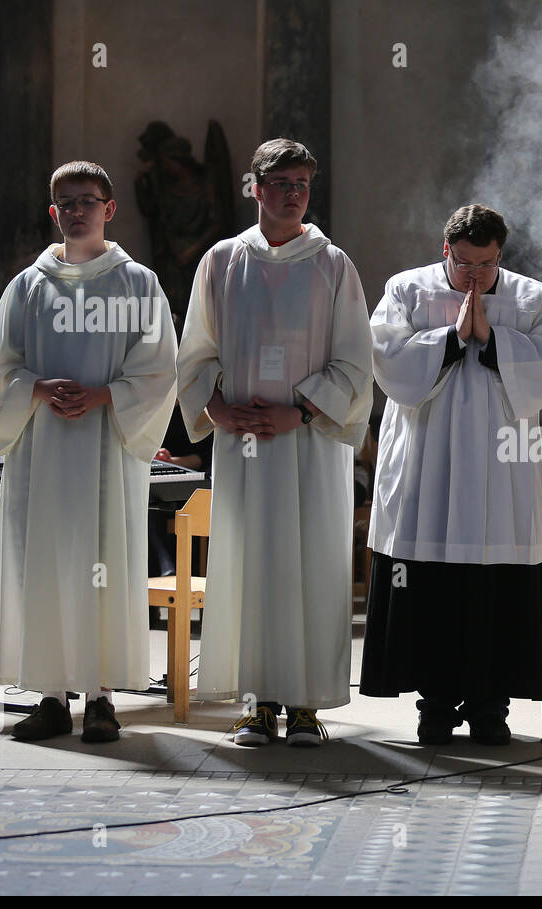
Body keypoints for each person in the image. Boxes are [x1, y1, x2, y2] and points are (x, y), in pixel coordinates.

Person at [178, 137, 373, 747]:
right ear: (255, 188)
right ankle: (259, 703)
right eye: (282, 184)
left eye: (303, 186)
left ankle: (307, 704)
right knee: (252, 566)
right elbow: (195, 353)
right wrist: (215, 406)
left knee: (312, 565)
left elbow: (355, 361)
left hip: (310, 444)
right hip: (244, 445)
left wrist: (303, 414)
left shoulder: (332, 264)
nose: (294, 196)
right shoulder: (221, 261)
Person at [0, 160, 178, 742]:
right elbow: (0, 370)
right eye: (65, 202)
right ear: (53, 212)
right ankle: (48, 696)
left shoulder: (137, 283)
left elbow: (160, 367)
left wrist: (105, 396)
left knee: (103, 566)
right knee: (43, 565)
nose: (76, 211)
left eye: (87, 200)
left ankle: (100, 698)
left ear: (109, 209)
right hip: (41, 449)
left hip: (105, 448)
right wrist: (36, 389)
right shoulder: (28, 286)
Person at [361, 204, 542, 745]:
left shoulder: (529, 297)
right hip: (428, 459)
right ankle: (434, 706)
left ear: (501, 254)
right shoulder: (406, 290)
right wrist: (452, 339)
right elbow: (386, 361)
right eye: (466, 264)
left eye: (488, 264)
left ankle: (488, 707)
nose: (476, 276)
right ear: (444, 249)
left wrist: (495, 339)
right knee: (428, 580)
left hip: (501, 463)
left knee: (492, 581)